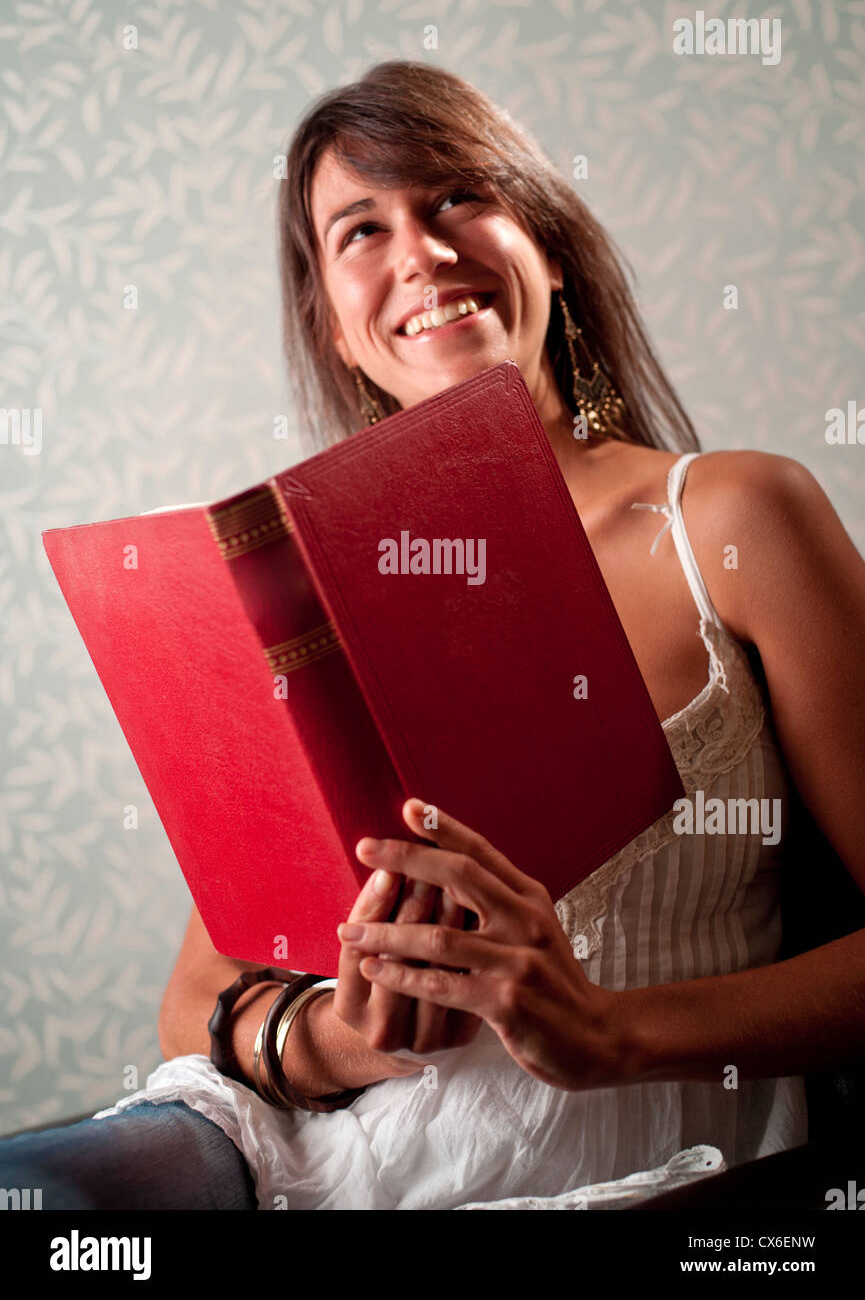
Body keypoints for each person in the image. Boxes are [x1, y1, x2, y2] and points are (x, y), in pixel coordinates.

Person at [3, 60, 864, 1211]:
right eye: (361, 229)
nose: (418, 252)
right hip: (312, 1147)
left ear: (548, 249)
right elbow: (195, 997)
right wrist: (349, 1035)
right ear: (338, 328)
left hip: (629, 1155)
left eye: (457, 196)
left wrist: (607, 1030)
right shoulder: (305, 594)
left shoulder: (734, 514)